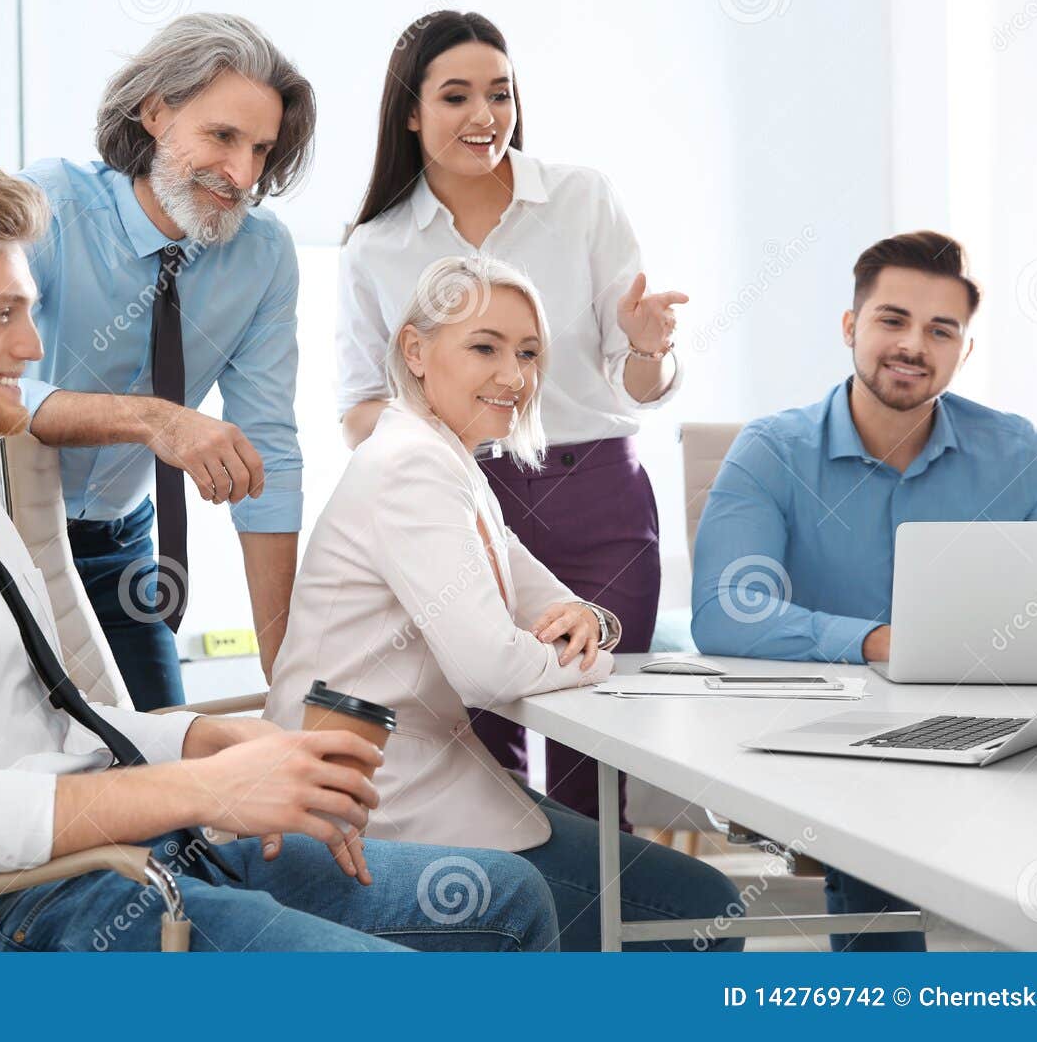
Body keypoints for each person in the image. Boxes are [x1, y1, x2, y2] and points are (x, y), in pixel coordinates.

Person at [0, 153, 560, 953]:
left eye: (27, 309)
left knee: (513, 900)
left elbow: (59, 728)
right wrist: (203, 790)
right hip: (19, 910)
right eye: (2, 314)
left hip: (136, 851)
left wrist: (217, 746)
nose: (29, 345)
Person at [266, 255, 745, 951]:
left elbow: (548, 598)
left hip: (421, 784)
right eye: (485, 346)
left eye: (527, 353)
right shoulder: (411, 468)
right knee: (702, 906)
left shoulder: (452, 463)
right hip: (371, 812)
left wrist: (592, 623)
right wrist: (590, 659)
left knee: (674, 890)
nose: (514, 377)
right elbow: (490, 668)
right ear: (416, 351)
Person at [334, 10, 687, 825]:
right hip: (465, 502)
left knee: (597, 760)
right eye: (455, 96)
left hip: (598, 495)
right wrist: (428, 468)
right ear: (411, 113)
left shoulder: (580, 198)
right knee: (489, 751)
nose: (485, 115)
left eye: (500, 93)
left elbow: (639, 383)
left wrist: (645, 347)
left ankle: (603, 943)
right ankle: (522, 935)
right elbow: (360, 406)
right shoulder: (375, 246)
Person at [691, 229, 1037, 950]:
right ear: (851, 326)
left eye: (941, 330)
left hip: (990, 725)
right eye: (892, 319)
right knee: (884, 839)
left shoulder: (1015, 451)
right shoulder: (772, 450)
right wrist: (874, 641)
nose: (913, 345)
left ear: (965, 350)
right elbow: (724, 614)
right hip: (838, 746)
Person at [0, 13, 314, 710]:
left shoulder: (264, 254)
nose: (241, 173)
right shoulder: (53, 204)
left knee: (165, 777)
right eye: (222, 136)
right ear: (155, 111)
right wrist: (151, 420)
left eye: (262, 150)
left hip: (121, 550)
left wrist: (287, 679)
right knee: (27, 776)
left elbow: (268, 449)